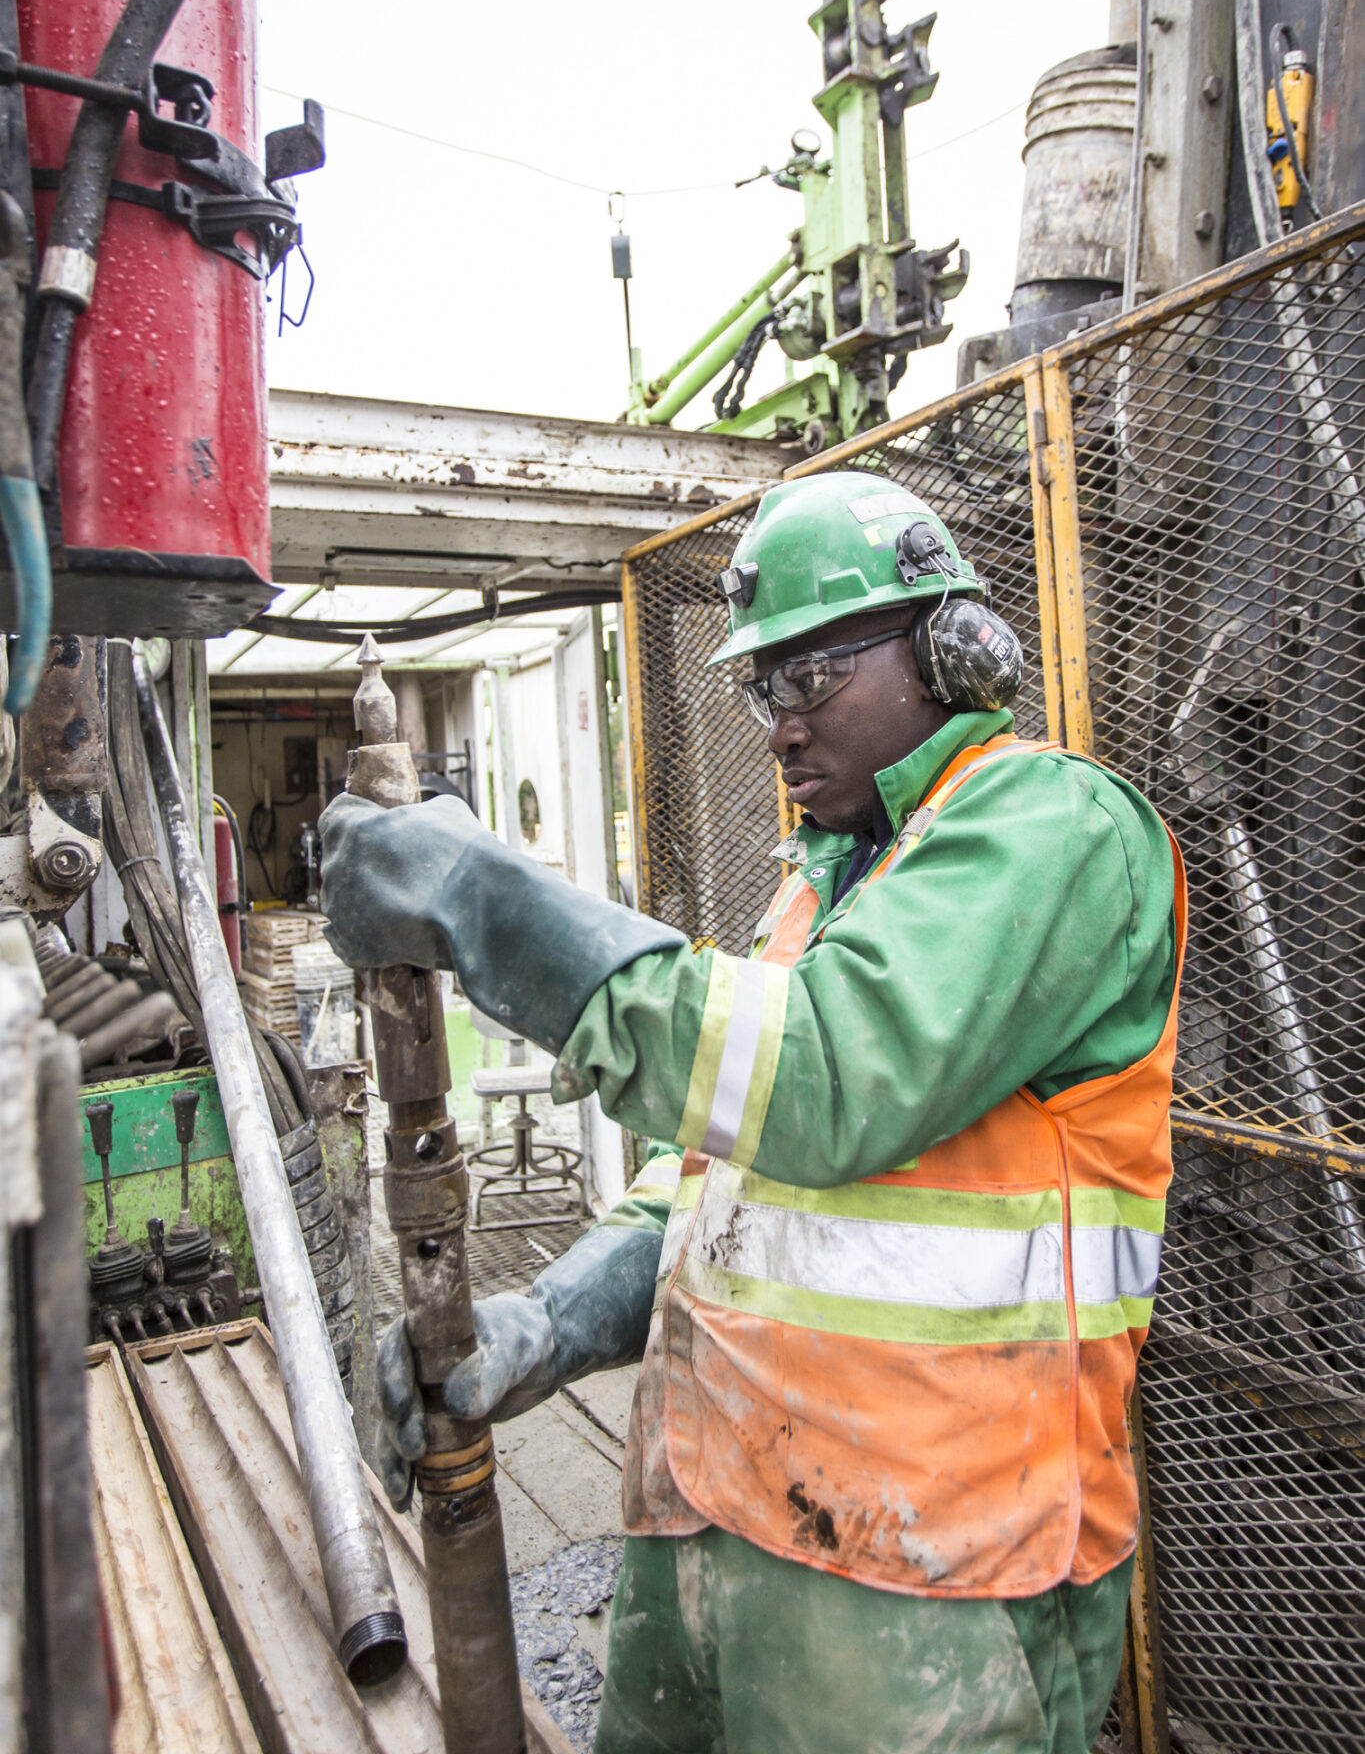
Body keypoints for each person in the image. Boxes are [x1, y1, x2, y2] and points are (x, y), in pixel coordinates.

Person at [319, 468, 1185, 1754]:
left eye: (811, 674)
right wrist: (545, 1321)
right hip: (709, 1521)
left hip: (931, 1581)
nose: (778, 725)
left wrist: (488, 902)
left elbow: (831, 1076)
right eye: (758, 686)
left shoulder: (1052, 828)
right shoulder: (824, 887)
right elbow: (712, 1178)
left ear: (948, 648)